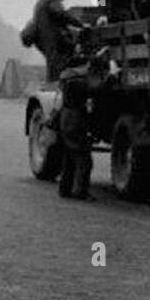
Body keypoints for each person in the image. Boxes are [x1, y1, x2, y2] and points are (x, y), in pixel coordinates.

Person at [31, 0, 85, 81]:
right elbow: (62, 15)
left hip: (44, 40)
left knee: (53, 66)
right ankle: (56, 90)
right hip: (53, 40)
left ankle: (53, 87)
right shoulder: (53, 1)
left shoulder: (42, 1)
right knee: (57, 68)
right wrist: (80, 25)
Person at [56, 60, 94, 200]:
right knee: (84, 158)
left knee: (70, 157)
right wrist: (112, 76)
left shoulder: (67, 79)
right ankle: (80, 191)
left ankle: (64, 189)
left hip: (66, 119)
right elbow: (95, 88)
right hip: (75, 121)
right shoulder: (78, 82)